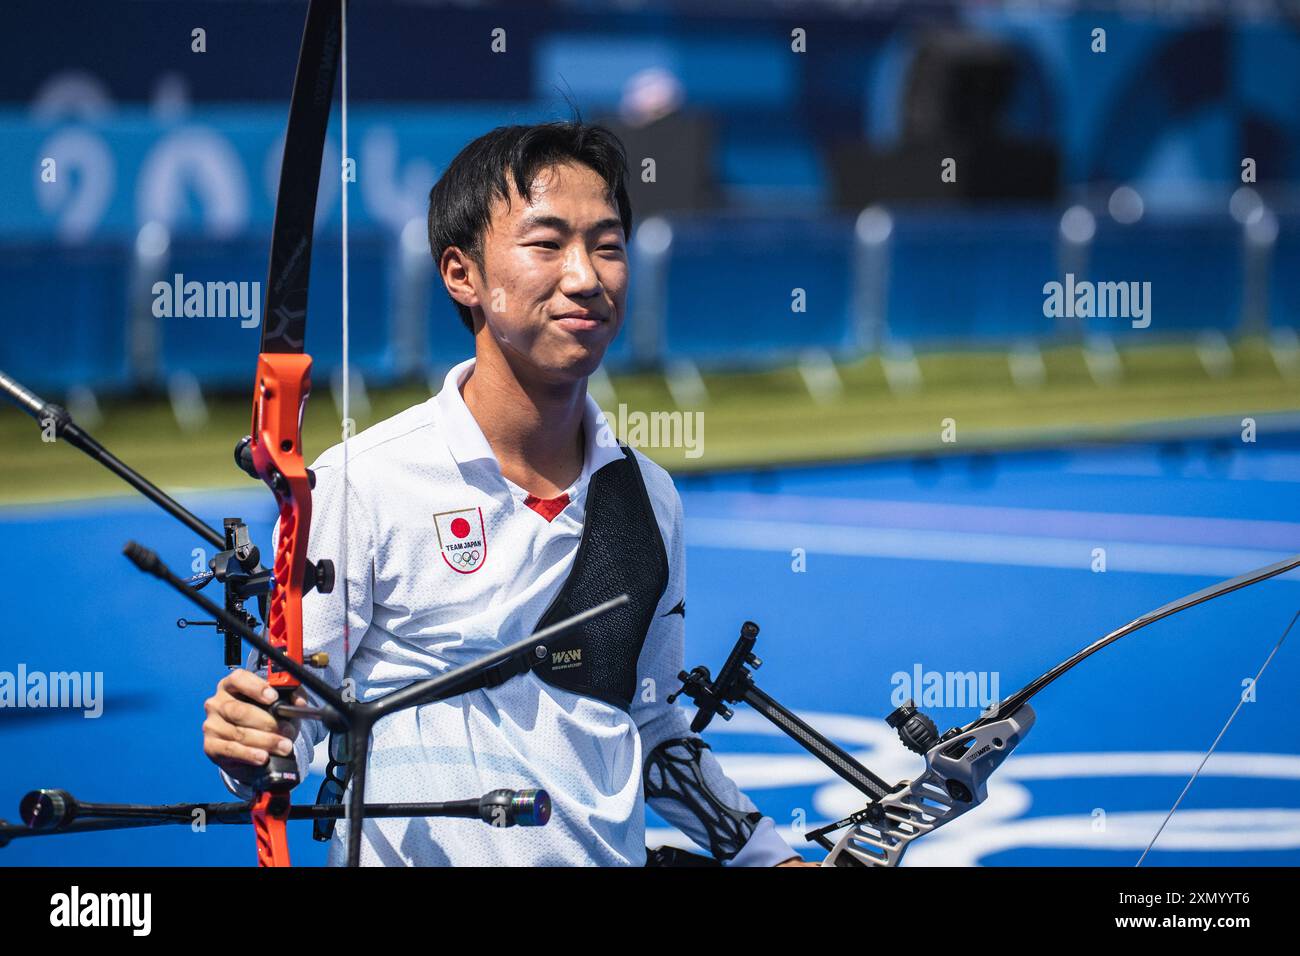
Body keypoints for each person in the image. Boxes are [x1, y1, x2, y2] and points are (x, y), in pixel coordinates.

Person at [202, 119, 810, 866]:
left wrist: (768, 856)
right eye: (547, 244)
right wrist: (251, 740)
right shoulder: (363, 481)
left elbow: (648, 724)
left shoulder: (649, 498)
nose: (586, 276)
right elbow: (292, 718)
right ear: (463, 274)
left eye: (608, 244)